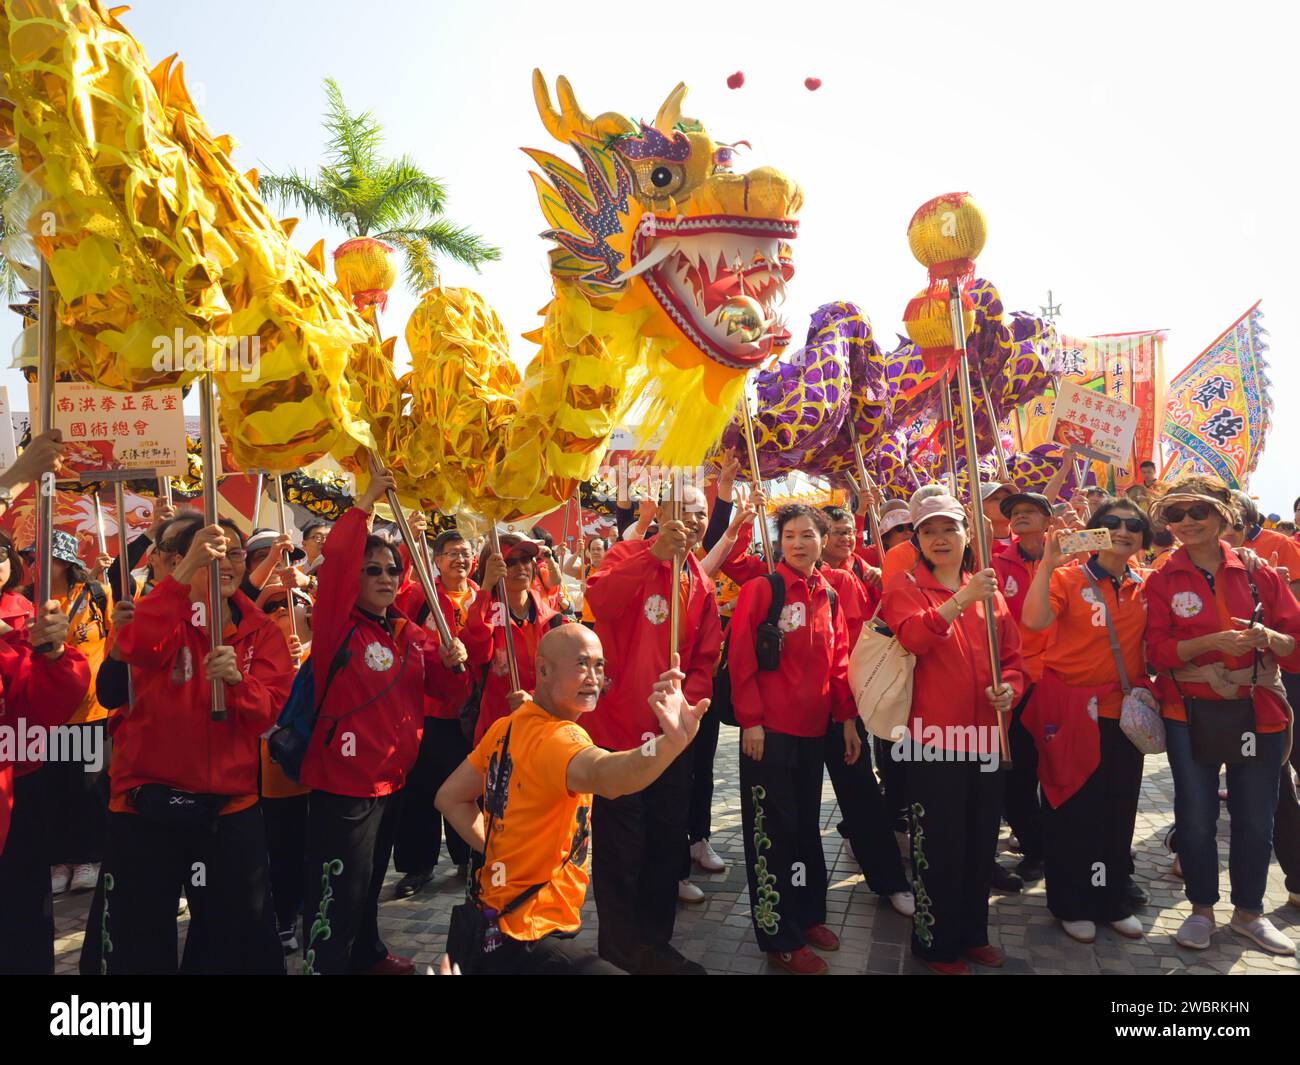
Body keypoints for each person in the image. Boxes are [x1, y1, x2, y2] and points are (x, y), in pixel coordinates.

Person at [436, 627, 711, 974]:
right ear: (544, 670)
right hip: (529, 933)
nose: (594, 677)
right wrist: (670, 743)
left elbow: (451, 799)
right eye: (582, 664)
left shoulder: (506, 727)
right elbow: (610, 776)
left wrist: (500, 850)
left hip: (496, 922)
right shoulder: (560, 738)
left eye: (599, 665)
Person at [97, 513, 293, 974]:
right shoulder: (155, 612)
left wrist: (238, 683)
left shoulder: (261, 630)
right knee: (139, 941)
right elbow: (137, 647)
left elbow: (268, 712)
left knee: (238, 936)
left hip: (228, 808)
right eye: (214, 552)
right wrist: (184, 575)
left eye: (236, 553)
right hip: (144, 805)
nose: (227, 562)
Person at [298, 470, 469, 975]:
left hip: (393, 780)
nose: (385, 579)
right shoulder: (336, 624)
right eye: (372, 570)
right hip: (343, 783)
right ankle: (325, 964)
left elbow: (445, 692)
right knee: (339, 884)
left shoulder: (408, 632)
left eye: (392, 570)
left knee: (369, 879)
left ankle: (366, 952)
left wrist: (453, 662)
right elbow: (334, 566)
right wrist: (365, 503)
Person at [730, 504, 909, 975]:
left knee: (807, 829)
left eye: (807, 534)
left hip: (814, 731)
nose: (798, 543)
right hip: (768, 735)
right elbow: (742, 658)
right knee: (771, 835)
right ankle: (779, 936)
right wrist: (750, 721)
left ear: (822, 538)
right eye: (789, 535)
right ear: (779, 541)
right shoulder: (760, 591)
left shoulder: (828, 592)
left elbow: (838, 662)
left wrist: (846, 720)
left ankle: (808, 917)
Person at [1146, 474, 1300, 955]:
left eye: (1198, 512)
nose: (1186, 522)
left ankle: (1249, 913)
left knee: (1257, 817)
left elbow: (1294, 646)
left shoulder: (1262, 574)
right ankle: (1200, 910)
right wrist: (1210, 643)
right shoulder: (1160, 578)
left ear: (1223, 517)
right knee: (1195, 816)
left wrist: (1268, 639)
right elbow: (1154, 652)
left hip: (1259, 712)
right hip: (1186, 711)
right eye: (1175, 514)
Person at [878, 493, 1024, 975]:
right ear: (917, 540)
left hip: (986, 739)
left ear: (968, 533)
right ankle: (934, 943)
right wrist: (961, 601)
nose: (940, 538)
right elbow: (914, 638)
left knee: (981, 841)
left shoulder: (991, 592)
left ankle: (973, 933)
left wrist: (1010, 691)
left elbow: (1013, 661)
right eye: (928, 531)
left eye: (949, 528)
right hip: (931, 740)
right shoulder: (906, 587)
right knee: (937, 845)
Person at [584, 481, 721, 975]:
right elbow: (599, 602)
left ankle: (655, 942)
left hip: (671, 737)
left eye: (701, 512)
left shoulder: (700, 580)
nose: (693, 519)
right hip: (619, 734)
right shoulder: (626, 552)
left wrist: (685, 701)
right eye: (682, 509)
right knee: (621, 849)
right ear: (660, 511)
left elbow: (706, 654)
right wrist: (652, 555)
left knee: (666, 843)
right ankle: (619, 952)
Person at [1021, 497, 1154, 944]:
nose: (1122, 530)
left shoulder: (1146, 585)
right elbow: (1035, 619)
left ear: (1143, 537)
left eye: (1133, 525)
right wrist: (1046, 564)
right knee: (1070, 808)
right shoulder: (1066, 577)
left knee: (1118, 812)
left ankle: (1111, 898)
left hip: (1124, 717)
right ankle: (1071, 902)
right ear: (1095, 532)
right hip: (1070, 713)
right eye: (1111, 523)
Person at [0, 534, 90, 975]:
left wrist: (54, 654)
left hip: (21, 771)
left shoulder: (31, 615)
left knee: (22, 899)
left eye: (0, 553)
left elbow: (55, 697)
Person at [391, 528, 480, 898]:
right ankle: (417, 866)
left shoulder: (482, 596)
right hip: (427, 711)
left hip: (469, 711)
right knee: (420, 792)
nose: (460, 559)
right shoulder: (420, 595)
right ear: (437, 560)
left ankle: (469, 857)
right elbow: (394, 611)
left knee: (469, 790)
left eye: (466, 552)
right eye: (452, 553)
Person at [40, 530, 114, 897]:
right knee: (54, 788)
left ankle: (89, 857)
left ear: (66, 562)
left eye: (50, 558)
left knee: (90, 787)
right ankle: (59, 860)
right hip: (47, 712)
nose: (42, 564)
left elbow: (115, 641)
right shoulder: (32, 598)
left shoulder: (98, 596)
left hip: (91, 710)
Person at [991, 492, 1055, 886]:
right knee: (1016, 774)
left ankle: (1070, 848)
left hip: (1063, 682)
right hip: (1017, 685)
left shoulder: (1073, 559)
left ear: (1050, 519)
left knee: (1061, 771)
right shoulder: (995, 564)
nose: (1021, 518)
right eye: (1015, 514)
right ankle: (1036, 847)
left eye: (1030, 511)